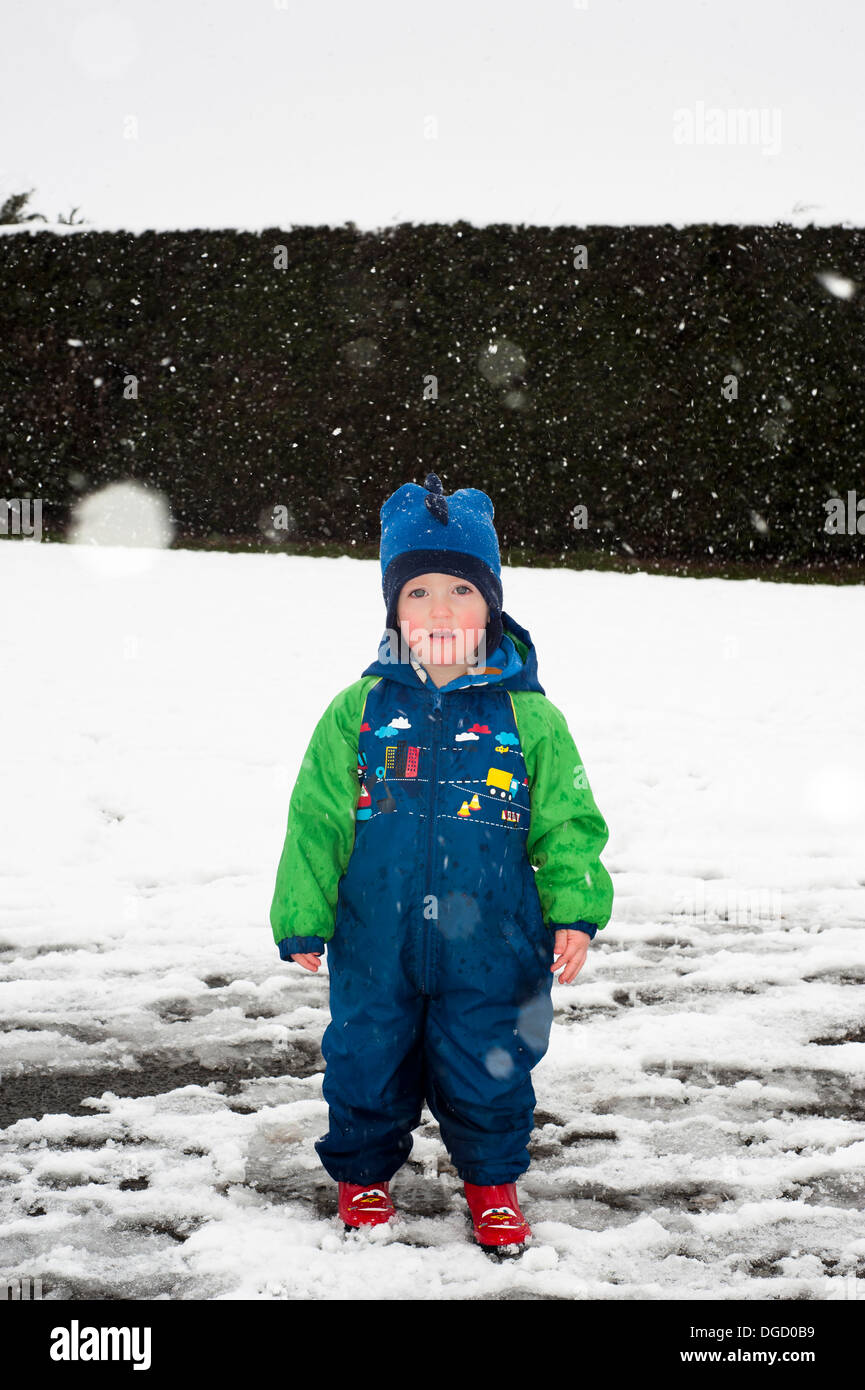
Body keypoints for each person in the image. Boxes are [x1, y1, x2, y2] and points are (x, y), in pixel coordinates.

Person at [269, 473, 613, 1247]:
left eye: (459, 589)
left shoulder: (529, 717)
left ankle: (491, 1181)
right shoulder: (355, 711)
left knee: (491, 1063)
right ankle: (362, 1180)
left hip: (493, 941)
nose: (439, 611)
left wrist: (575, 910)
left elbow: (567, 824)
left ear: (490, 603)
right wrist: (301, 914)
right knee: (365, 1057)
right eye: (416, 592)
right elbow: (316, 821)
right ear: (393, 609)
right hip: (374, 936)